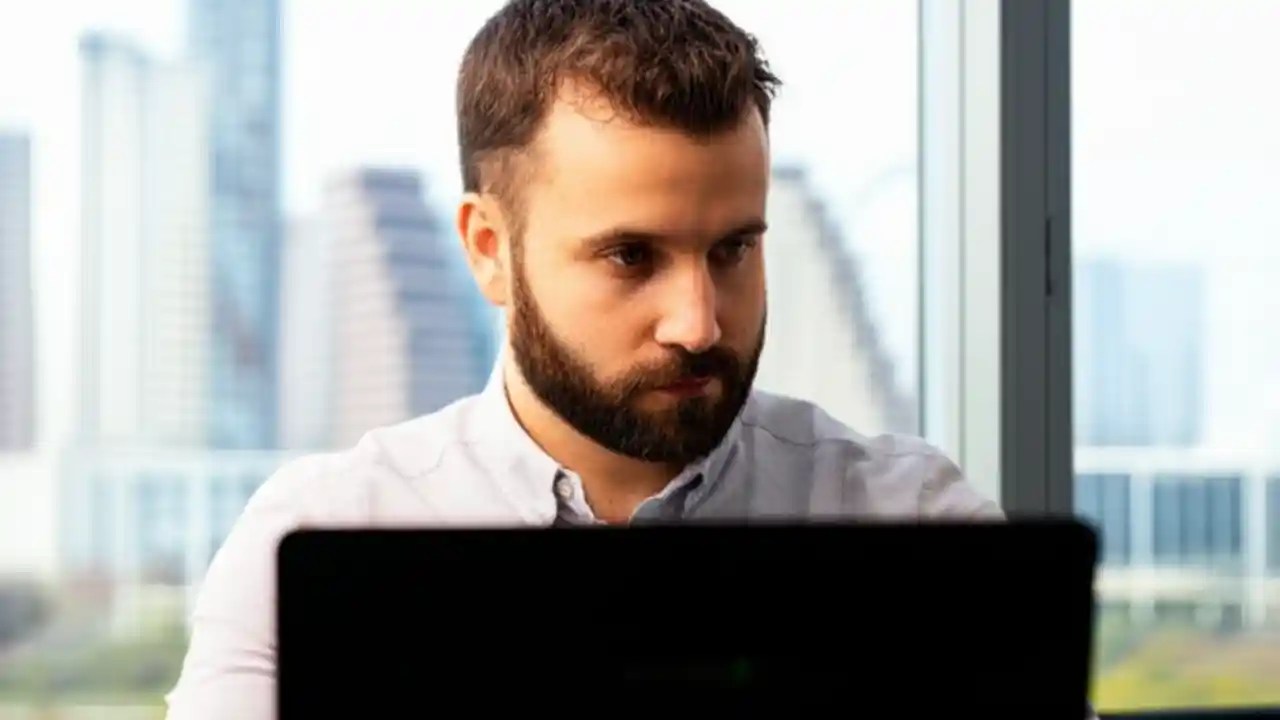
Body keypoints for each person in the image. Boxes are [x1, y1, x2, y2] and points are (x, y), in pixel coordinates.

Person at [163, 1, 1002, 717]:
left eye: (733, 249)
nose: (698, 323)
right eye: (631, 256)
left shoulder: (914, 522)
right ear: (490, 249)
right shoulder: (318, 538)